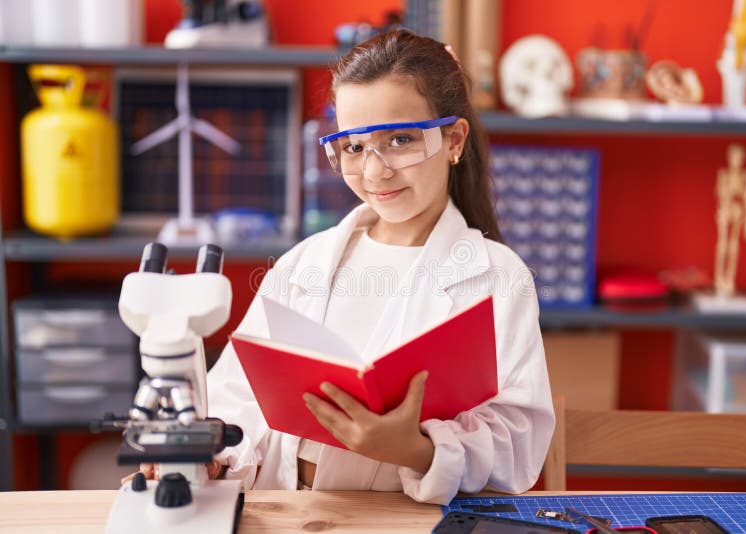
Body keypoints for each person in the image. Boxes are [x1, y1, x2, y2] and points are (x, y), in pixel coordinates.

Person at [124, 29, 554, 505]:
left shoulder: (498, 277)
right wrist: (211, 457)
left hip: (402, 519)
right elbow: (235, 398)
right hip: (287, 511)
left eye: (401, 139)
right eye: (353, 147)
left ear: (453, 140)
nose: (375, 172)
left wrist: (415, 450)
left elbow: (519, 443)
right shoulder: (304, 263)